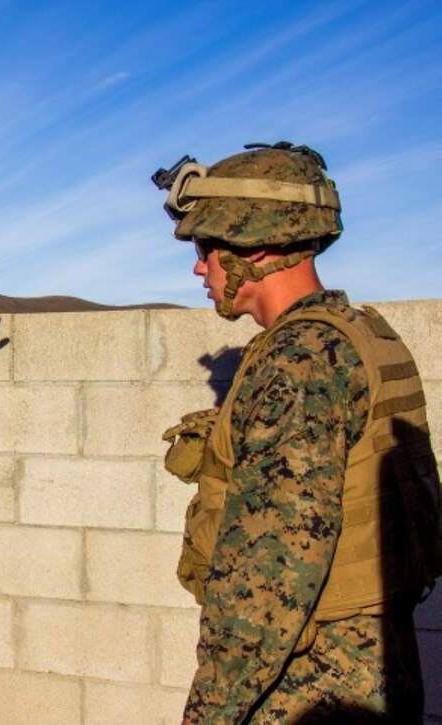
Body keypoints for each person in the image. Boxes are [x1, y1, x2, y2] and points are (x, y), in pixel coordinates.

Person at [155, 143, 441, 722]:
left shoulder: (301, 360)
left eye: (207, 248)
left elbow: (265, 586)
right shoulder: (359, 335)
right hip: (373, 666)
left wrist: (208, 714)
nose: (198, 267)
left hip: (309, 685)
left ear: (254, 245)